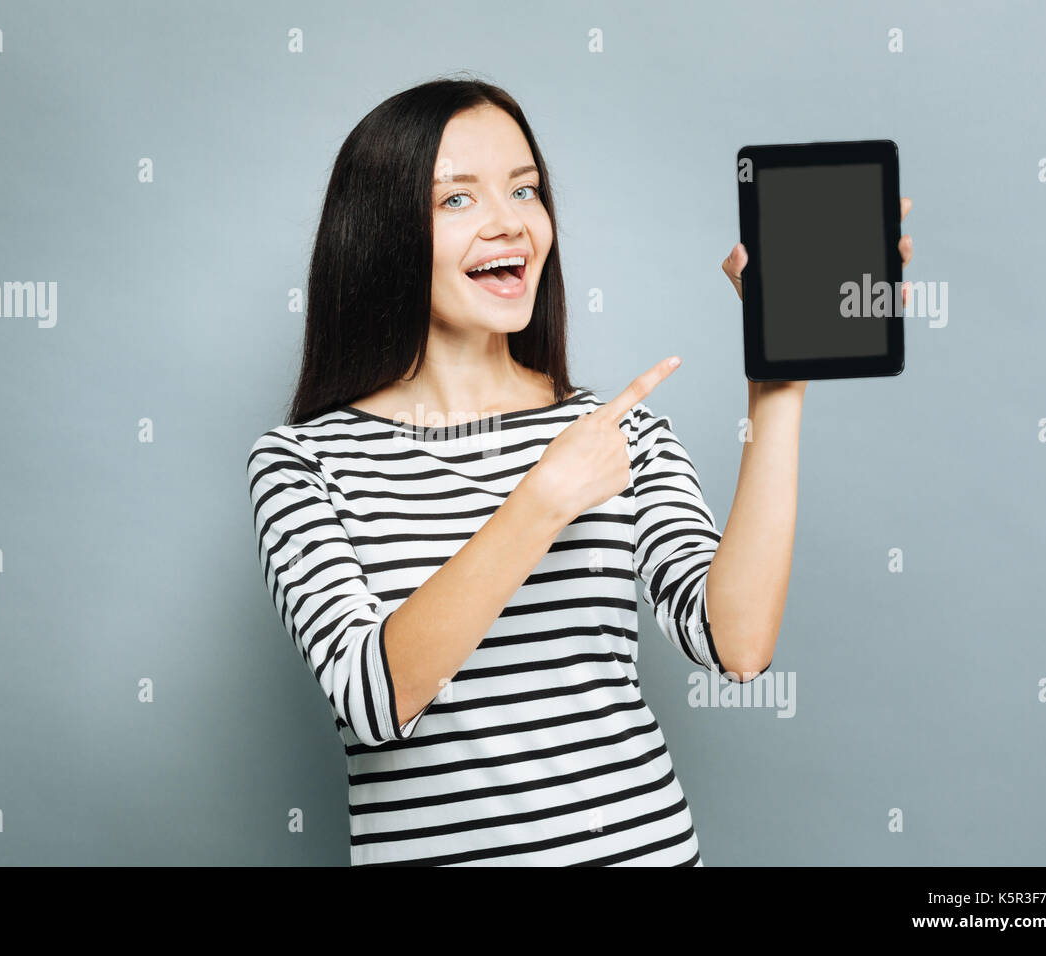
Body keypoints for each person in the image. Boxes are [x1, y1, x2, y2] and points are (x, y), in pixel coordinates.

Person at [246, 76, 914, 865]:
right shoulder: (303, 463)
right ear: (382, 234)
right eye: (457, 200)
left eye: (525, 189)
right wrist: (542, 501)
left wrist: (778, 384)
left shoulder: (615, 429)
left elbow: (735, 643)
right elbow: (374, 701)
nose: (510, 224)